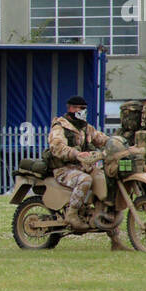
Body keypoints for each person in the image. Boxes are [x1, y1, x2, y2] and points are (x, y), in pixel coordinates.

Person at [48, 95, 127, 250]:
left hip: (84, 167)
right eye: (79, 108)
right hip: (65, 169)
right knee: (85, 180)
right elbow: (57, 147)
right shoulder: (60, 127)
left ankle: (115, 241)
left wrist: (120, 144)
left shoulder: (85, 127)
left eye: (84, 109)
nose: (82, 111)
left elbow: (103, 139)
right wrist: (76, 154)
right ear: (70, 108)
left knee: (106, 183)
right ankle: (72, 214)